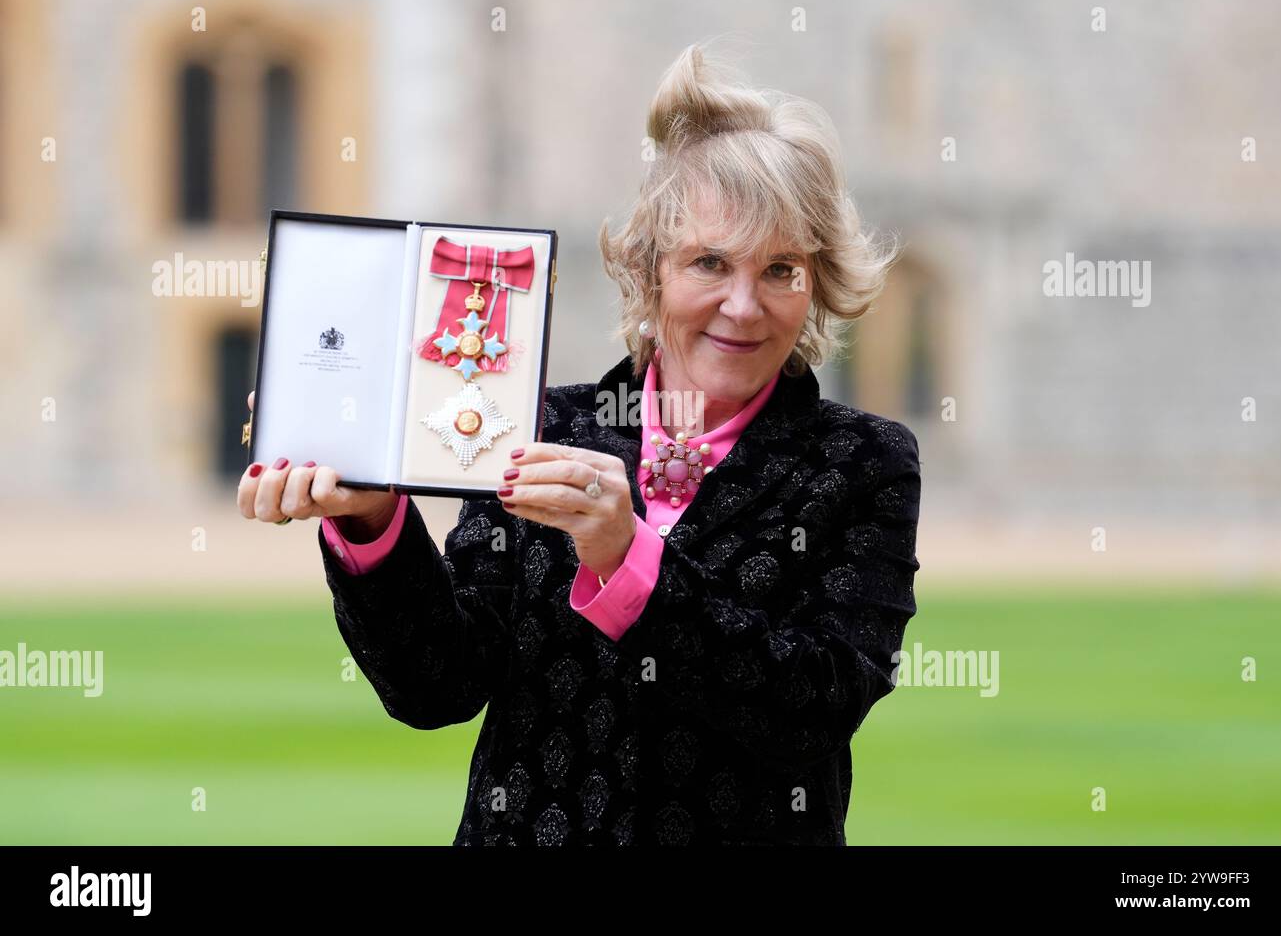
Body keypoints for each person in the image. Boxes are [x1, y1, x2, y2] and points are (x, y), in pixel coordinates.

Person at [237, 41, 920, 845]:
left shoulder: (861, 463)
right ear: (649, 269)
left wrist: (631, 558)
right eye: (710, 261)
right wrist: (371, 522)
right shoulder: (537, 427)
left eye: (781, 270)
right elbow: (437, 686)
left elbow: (813, 706)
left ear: (817, 282)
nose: (744, 305)